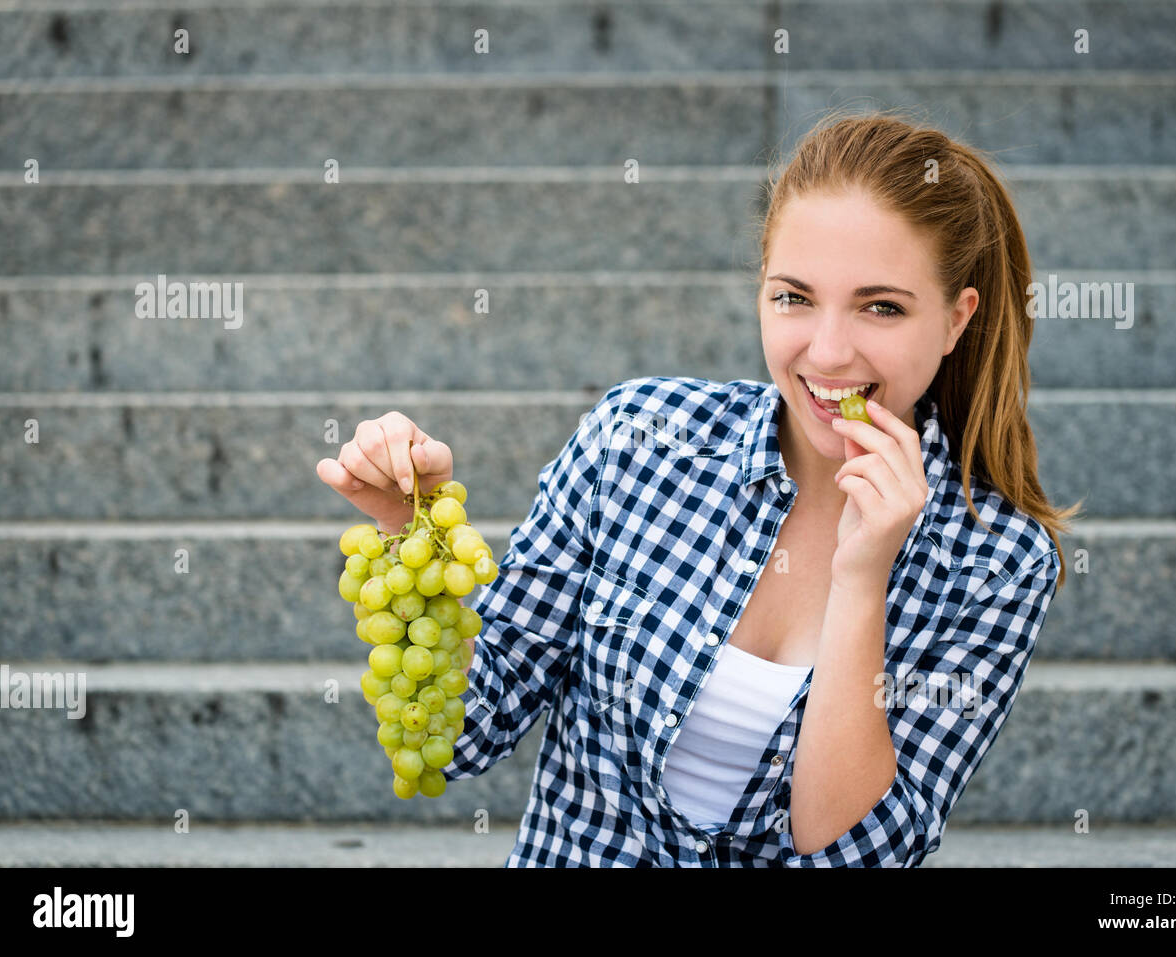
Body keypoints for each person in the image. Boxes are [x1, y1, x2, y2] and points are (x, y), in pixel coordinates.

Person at [316, 109, 1083, 866]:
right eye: (794, 297)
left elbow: (855, 854)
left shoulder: (1000, 559)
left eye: (881, 305)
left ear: (956, 319)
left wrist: (862, 575)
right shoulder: (637, 438)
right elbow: (465, 728)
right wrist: (406, 526)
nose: (828, 349)